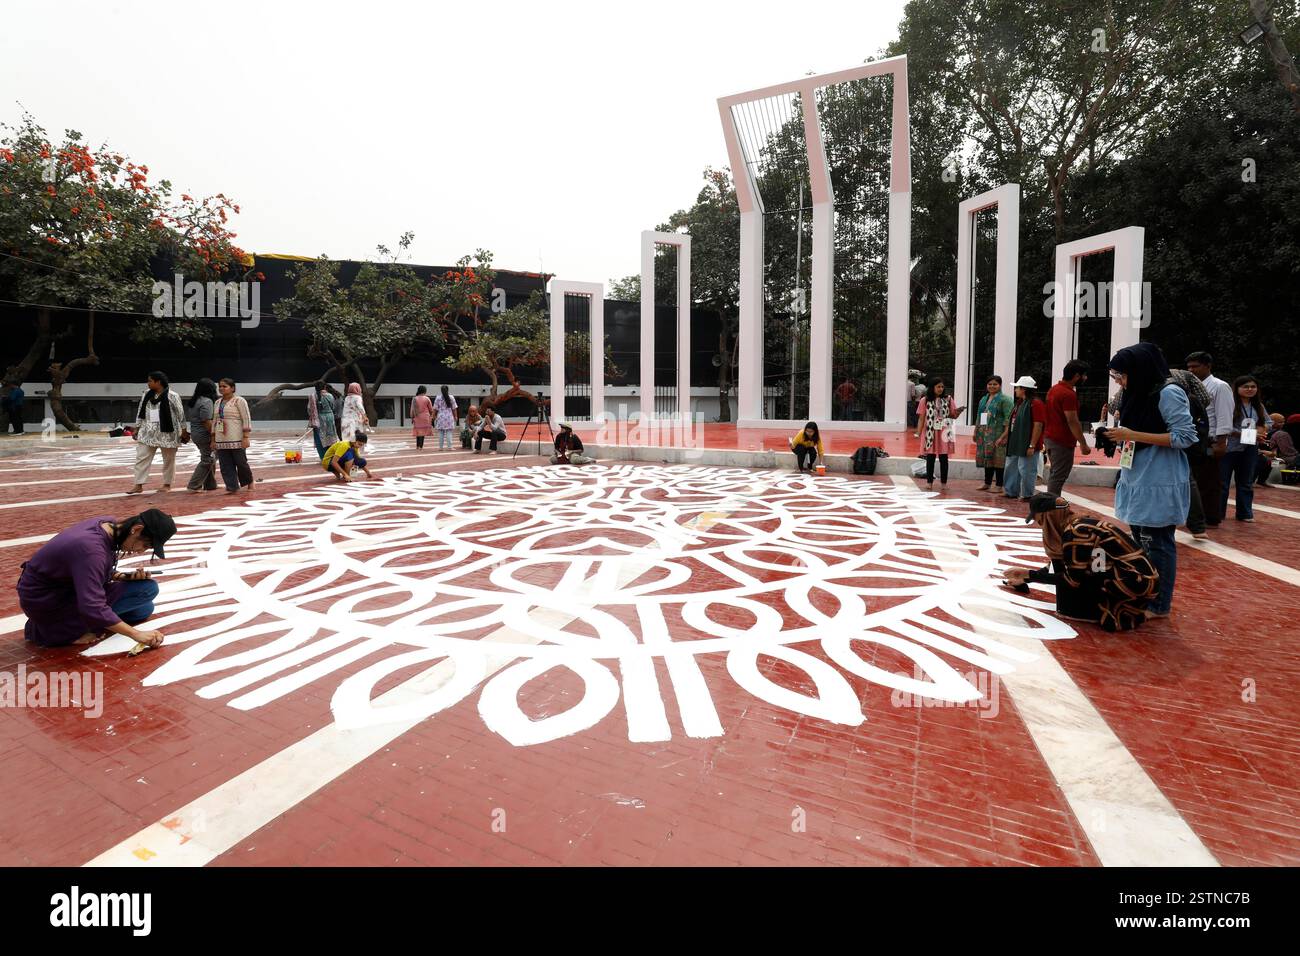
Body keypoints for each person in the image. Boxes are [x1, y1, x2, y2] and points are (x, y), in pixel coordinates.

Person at [1103, 343, 1196, 619]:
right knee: (1140, 541)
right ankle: (1144, 591)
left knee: (1159, 541)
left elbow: (1185, 437)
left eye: (1121, 375)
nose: (1119, 381)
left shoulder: (1169, 393)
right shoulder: (1136, 395)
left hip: (1160, 477)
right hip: (1136, 475)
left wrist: (1134, 434)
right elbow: (1134, 431)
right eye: (1115, 377)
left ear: (1139, 370)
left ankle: (1159, 604)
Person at [17, 508, 176, 648]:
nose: (141, 551)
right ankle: (56, 630)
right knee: (147, 590)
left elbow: (88, 572)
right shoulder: (92, 550)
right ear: (136, 529)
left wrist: (124, 576)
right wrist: (136, 634)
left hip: (63, 590)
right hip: (46, 601)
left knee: (143, 610)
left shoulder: (109, 524)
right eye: (146, 545)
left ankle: (74, 622)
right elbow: (92, 605)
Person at [1003, 494, 1158, 632]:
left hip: (1136, 583)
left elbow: (1072, 580)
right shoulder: (1078, 524)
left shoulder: (1075, 534)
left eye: (1040, 521)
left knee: (1076, 597)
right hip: (1140, 580)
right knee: (1079, 571)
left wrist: (1029, 574)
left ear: (1049, 517)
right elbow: (1064, 566)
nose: (1041, 527)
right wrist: (1026, 578)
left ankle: (1106, 611)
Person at [1185, 352, 1234, 527]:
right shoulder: (1189, 387)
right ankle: (1196, 514)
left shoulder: (1219, 386)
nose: (1191, 370)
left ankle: (1211, 516)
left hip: (1212, 439)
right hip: (1194, 439)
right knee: (1195, 479)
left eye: (1195, 366)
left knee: (1210, 480)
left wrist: (1221, 442)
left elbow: (1224, 415)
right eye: (1189, 367)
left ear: (1208, 366)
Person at [127, 371, 186, 496]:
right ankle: (138, 484)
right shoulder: (146, 395)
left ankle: (167, 484)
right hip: (147, 432)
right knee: (141, 458)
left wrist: (184, 430)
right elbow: (140, 411)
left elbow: (180, 414)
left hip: (168, 433)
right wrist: (137, 428)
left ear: (158, 382)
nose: (148, 383)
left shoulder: (172, 395)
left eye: (150, 381)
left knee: (169, 460)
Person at [1219, 375, 1268, 522]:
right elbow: (1225, 425)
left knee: (1246, 482)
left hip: (1249, 448)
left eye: (1253, 387)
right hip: (1229, 448)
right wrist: (1246, 434)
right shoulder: (1231, 404)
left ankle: (1245, 513)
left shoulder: (1258, 406)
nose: (1250, 389)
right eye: (1245, 387)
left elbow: (1268, 421)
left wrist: (1261, 431)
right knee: (1223, 482)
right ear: (1237, 388)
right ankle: (1218, 513)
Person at [1042, 360, 1091, 496]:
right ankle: (1052, 507)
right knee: (1058, 476)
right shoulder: (1068, 394)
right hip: (1061, 441)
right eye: (1084, 375)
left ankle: (1052, 504)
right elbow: (1072, 420)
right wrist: (1083, 443)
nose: (1085, 378)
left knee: (1056, 473)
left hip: (1051, 437)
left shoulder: (1054, 390)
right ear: (1076, 376)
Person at [999, 376, 1046, 502]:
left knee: (1027, 469)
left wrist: (1032, 445)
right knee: (1012, 466)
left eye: (1017, 388)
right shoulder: (1020, 403)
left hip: (1027, 443)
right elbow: (1012, 423)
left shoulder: (1036, 404)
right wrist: (1004, 437)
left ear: (1024, 389)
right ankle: (1011, 491)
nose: (1015, 390)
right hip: (1016, 442)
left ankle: (1027, 494)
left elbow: (1038, 424)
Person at [913, 378, 964, 489]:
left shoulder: (949, 399)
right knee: (930, 458)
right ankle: (929, 483)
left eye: (942, 387)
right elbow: (921, 418)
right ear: (932, 388)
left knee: (944, 458)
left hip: (945, 431)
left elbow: (953, 416)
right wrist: (918, 432)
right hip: (930, 431)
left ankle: (944, 484)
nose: (941, 389)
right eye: (938, 387)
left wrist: (958, 412)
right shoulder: (924, 400)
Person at [212, 377, 253, 494]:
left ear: (232, 388)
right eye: (220, 386)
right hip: (221, 439)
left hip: (237, 438)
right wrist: (213, 439)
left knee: (241, 463)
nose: (221, 388)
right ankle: (232, 487)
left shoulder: (239, 401)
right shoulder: (217, 402)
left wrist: (246, 437)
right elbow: (215, 421)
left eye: (224, 386)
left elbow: (246, 418)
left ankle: (250, 482)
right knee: (225, 465)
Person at [975, 375, 1014, 492]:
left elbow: (1009, 418)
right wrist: (976, 430)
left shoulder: (1005, 400)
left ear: (1000, 385)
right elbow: (979, 415)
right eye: (990, 384)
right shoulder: (984, 399)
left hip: (998, 434)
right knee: (987, 459)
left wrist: (1005, 435)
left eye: (995, 384)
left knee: (998, 460)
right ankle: (987, 483)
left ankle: (999, 485)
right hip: (984, 435)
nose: (992, 386)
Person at [185, 377, 219, 493]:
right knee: (208, 459)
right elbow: (207, 422)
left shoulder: (195, 401)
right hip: (204, 435)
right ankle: (193, 485)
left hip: (196, 434)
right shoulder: (207, 401)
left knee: (208, 457)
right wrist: (215, 435)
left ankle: (210, 484)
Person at [307, 381, 338, 460]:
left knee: (320, 438)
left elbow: (309, 409)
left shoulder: (313, 396)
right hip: (329, 417)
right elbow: (333, 406)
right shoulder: (330, 395)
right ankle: (331, 456)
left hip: (319, 419)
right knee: (331, 436)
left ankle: (323, 457)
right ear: (324, 387)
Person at [433, 385, 458, 450]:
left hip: (440, 416)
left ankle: (440, 447)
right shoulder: (451, 397)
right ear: (448, 390)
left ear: (441, 391)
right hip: (449, 416)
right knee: (449, 432)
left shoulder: (438, 398)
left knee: (441, 432)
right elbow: (454, 408)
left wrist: (434, 416)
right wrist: (455, 416)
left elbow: (435, 408)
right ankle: (449, 447)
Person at [410, 385, 434, 450]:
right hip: (425, 417)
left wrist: (412, 417)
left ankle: (417, 446)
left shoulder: (414, 398)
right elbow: (431, 409)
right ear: (424, 391)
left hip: (417, 417)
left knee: (418, 432)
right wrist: (431, 416)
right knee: (423, 432)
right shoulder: (427, 398)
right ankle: (421, 446)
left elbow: (412, 409)